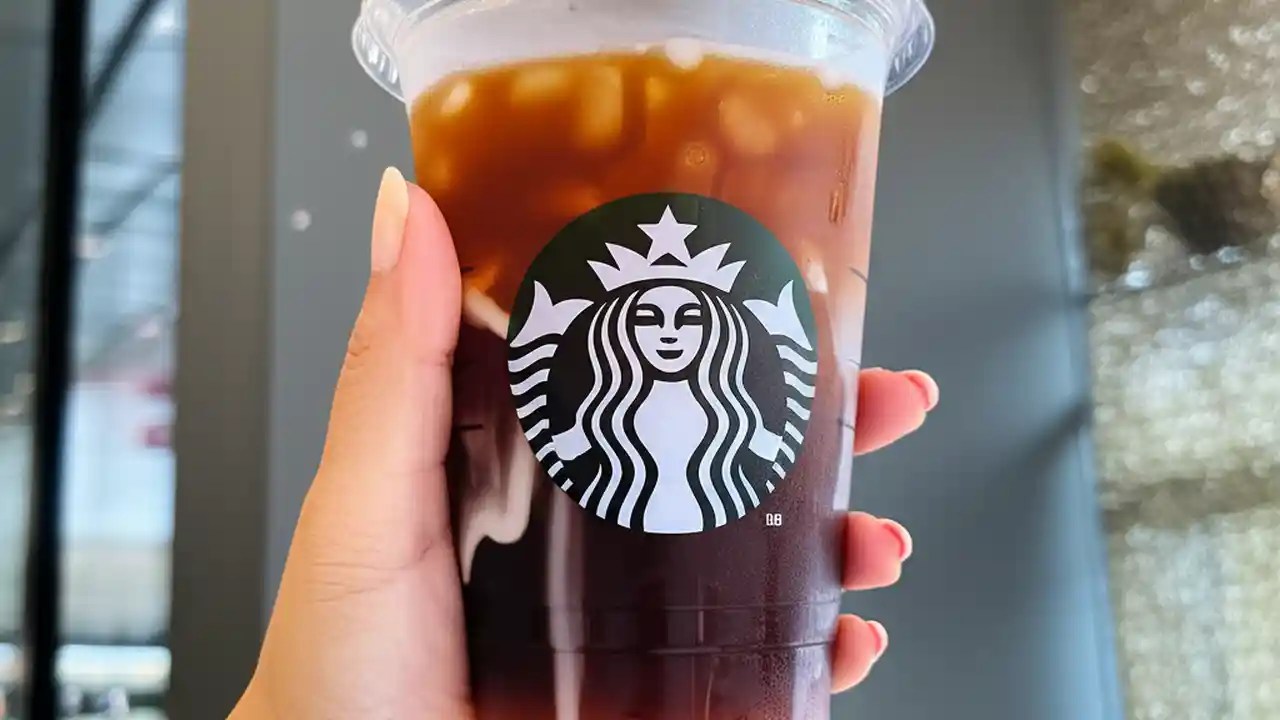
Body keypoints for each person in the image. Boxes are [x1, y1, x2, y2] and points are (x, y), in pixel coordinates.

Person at [228, 168, 941, 719]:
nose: (668, 333)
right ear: (615, 329)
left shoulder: (739, 431)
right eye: (647, 316)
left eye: (689, 315)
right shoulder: (590, 428)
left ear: (721, 329)